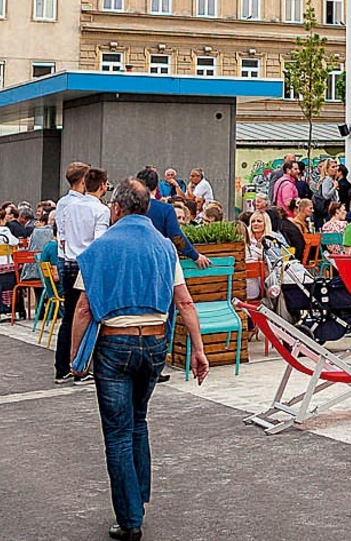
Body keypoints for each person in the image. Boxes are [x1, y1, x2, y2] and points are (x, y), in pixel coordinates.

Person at [69, 178, 210, 541]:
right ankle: (139, 499)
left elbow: (84, 309)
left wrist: (74, 356)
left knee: (117, 432)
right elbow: (185, 302)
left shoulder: (101, 248)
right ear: (147, 208)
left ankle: (130, 519)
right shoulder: (165, 247)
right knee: (139, 421)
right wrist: (198, 349)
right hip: (154, 343)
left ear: (116, 208)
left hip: (114, 343)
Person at [55, 163, 110, 384]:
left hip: (68, 261)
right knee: (91, 315)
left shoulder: (68, 207)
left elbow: (63, 236)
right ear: (103, 186)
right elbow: (99, 242)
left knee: (70, 316)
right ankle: (83, 366)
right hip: (87, 265)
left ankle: (63, 367)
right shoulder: (100, 210)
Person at [136, 167, 210, 269]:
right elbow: (176, 237)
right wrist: (195, 256)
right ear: (157, 187)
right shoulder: (165, 209)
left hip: (133, 258)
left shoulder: (129, 208)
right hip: (158, 261)